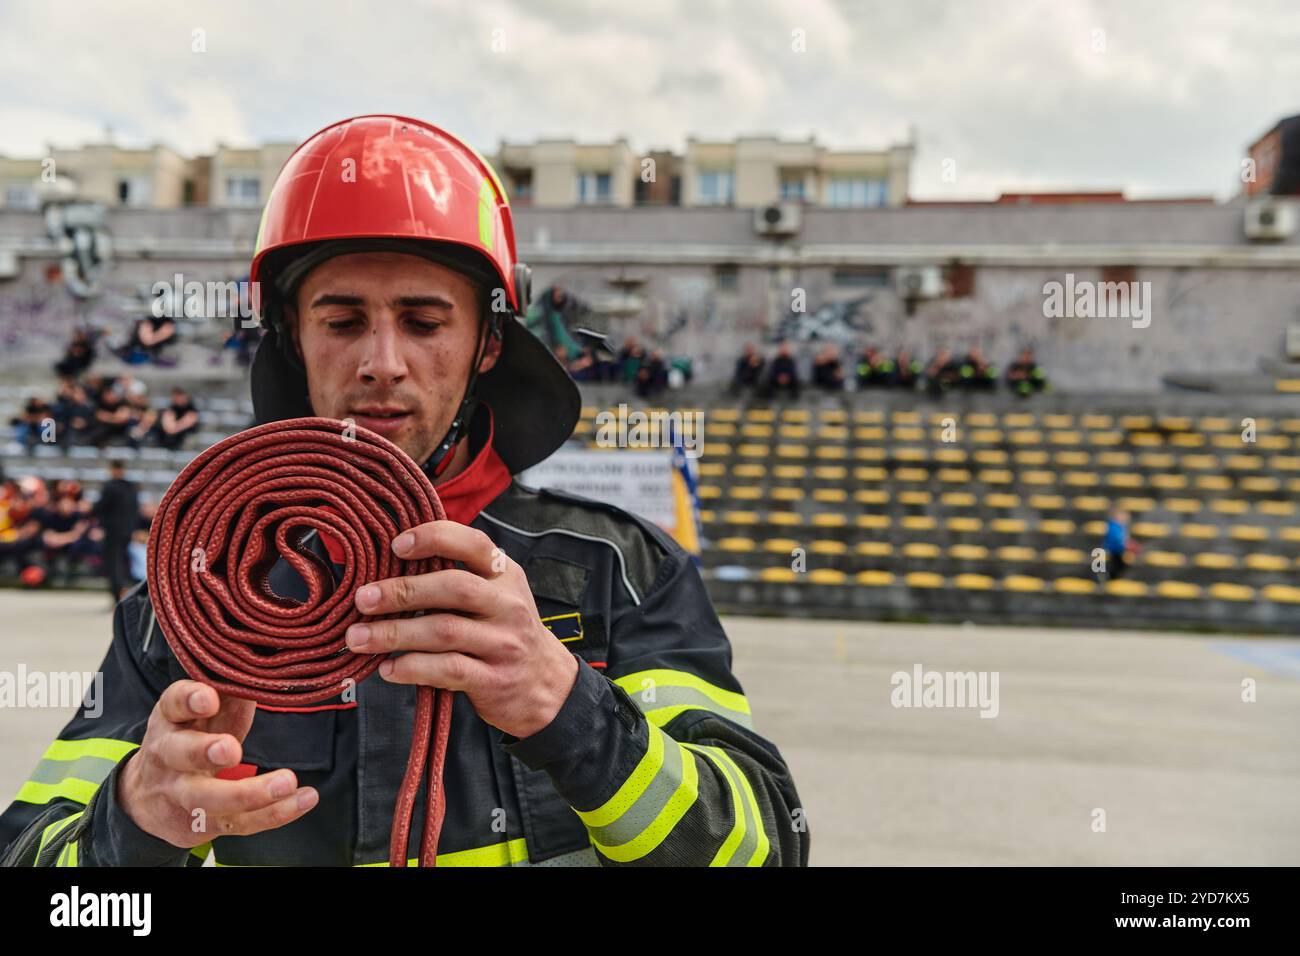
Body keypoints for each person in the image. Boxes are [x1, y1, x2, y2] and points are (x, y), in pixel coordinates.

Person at [0, 114, 808, 869]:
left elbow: (765, 848)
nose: (382, 361)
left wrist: (566, 706)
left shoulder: (620, 572)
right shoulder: (192, 598)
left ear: (488, 342)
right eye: (343, 320)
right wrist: (135, 821)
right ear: (293, 339)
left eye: (424, 322)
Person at [93, 461, 139, 601]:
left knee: (114, 563)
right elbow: (135, 510)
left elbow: (99, 508)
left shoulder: (110, 487)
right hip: (127, 531)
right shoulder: (131, 487)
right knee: (124, 561)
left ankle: (117, 593)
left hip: (112, 531)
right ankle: (127, 592)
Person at [1100, 508, 1139, 580]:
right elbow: (1117, 540)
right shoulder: (1114, 527)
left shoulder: (1121, 527)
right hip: (1114, 551)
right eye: (1123, 515)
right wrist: (1126, 545)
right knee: (1115, 568)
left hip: (1119, 551)